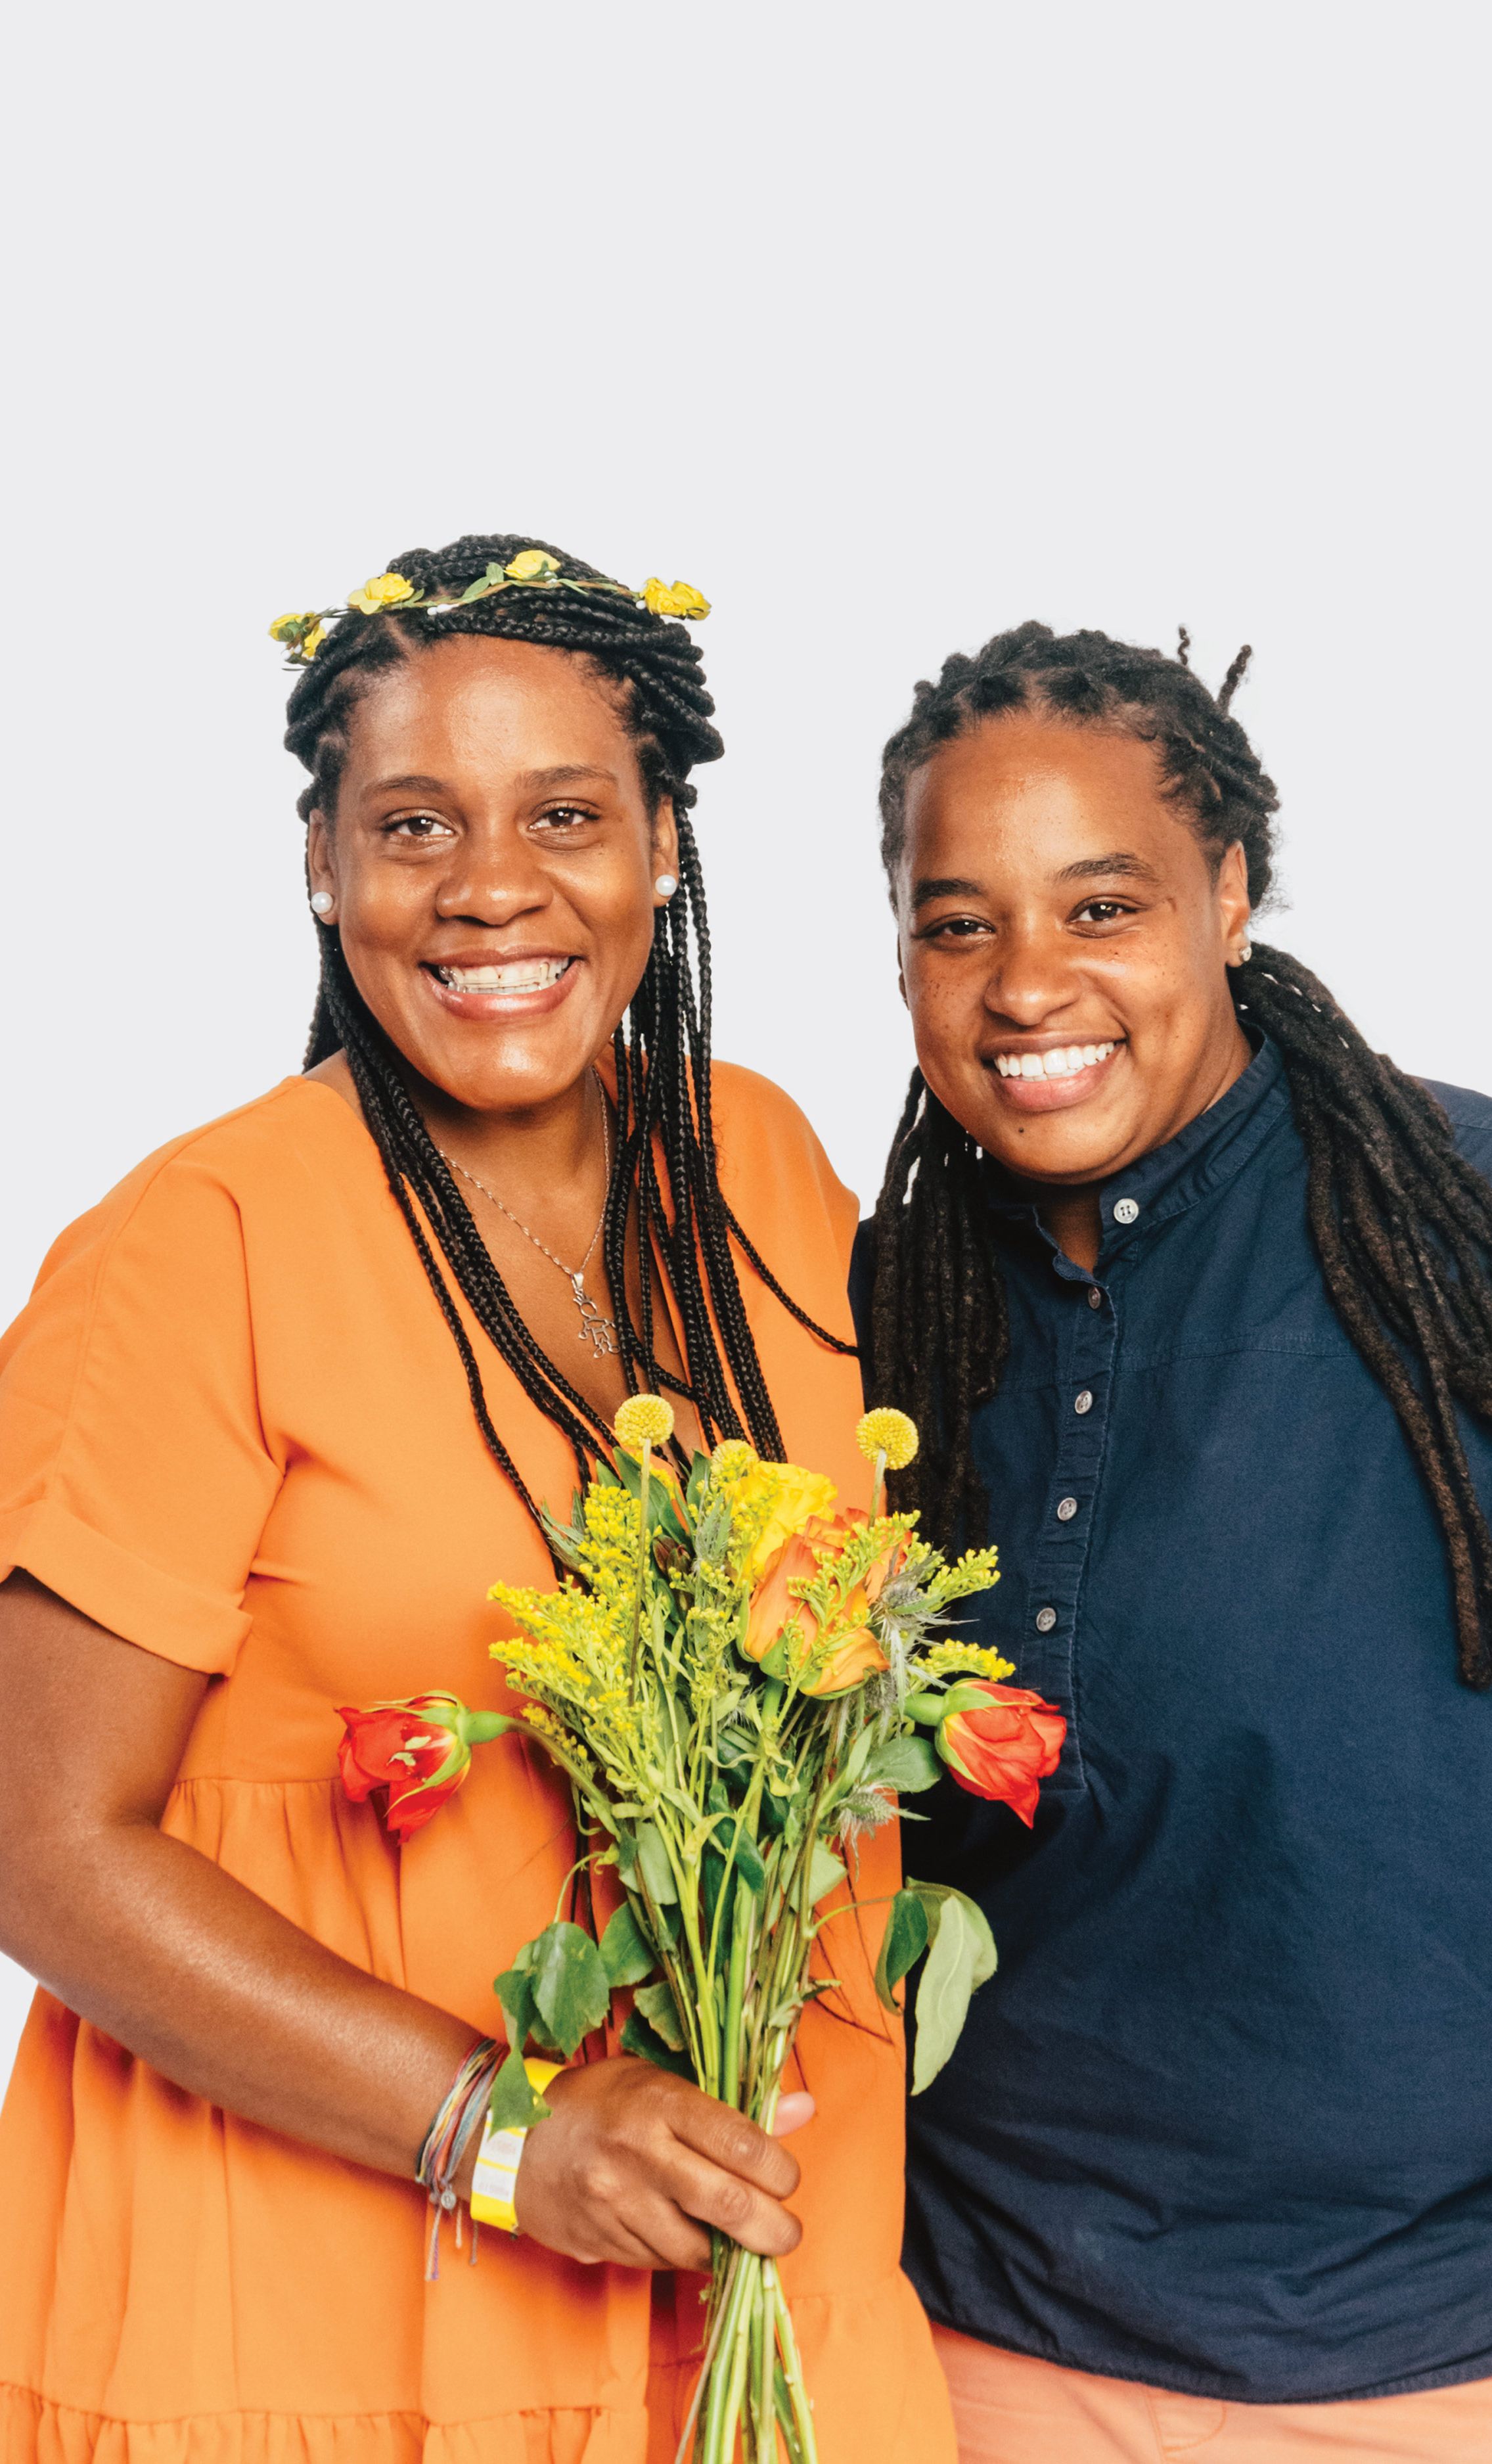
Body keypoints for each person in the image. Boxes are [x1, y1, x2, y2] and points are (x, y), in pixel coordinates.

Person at [0, 535, 954, 2464]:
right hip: (316, 2315)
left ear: (662, 843)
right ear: (321, 866)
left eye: (566, 814)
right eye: (414, 822)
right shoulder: (202, 1244)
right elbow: (37, 1845)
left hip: (753, 2292)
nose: (493, 887)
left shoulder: (757, 1167)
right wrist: (499, 2132)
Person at [849, 620, 1492, 2461]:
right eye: (955, 923)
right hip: (978, 2356)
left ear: (1227, 892)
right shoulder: (868, 1320)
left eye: (1099, 905)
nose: (1024, 984)